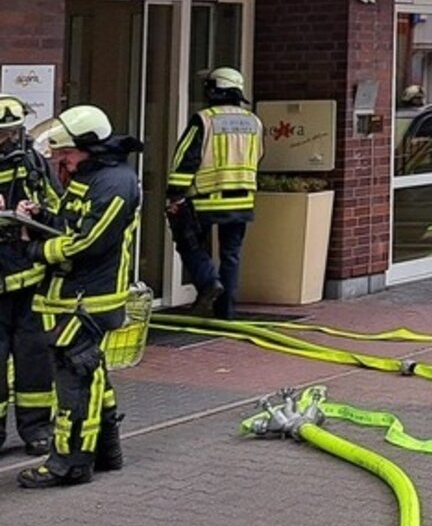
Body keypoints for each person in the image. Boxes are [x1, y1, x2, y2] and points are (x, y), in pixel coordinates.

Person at [16, 105, 141, 488]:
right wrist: (41, 218)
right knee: (91, 374)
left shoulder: (115, 184)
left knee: (74, 386)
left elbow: (89, 242)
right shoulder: (92, 176)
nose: (61, 159)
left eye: (66, 152)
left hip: (89, 301)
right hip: (74, 297)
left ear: (90, 147)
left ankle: (69, 464)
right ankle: (106, 452)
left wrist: (37, 251)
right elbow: (70, 224)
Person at [167, 68, 262, 319]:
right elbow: (259, 155)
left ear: (214, 89)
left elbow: (186, 157)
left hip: (206, 199)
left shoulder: (204, 119)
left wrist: (175, 194)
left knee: (189, 243)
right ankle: (225, 312)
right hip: (242, 200)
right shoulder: (254, 121)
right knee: (231, 255)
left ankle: (209, 283)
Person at [0, 96, 54, 455]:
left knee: (34, 358)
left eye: (11, 133)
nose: (7, 142)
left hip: (30, 281)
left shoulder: (34, 163)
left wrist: (37, 212)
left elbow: (57, 207)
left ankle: (36, 429)